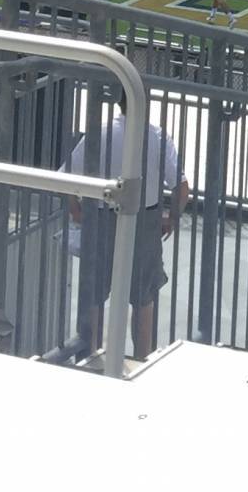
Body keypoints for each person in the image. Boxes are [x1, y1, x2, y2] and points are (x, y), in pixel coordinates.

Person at [67, 110, 187, 361]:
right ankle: (143, 360)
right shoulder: (157, 137)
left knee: (95, 294)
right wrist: (172, 217)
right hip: (145, 218)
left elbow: (67, 173)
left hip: (101, 215)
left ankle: (92, 355)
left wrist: (76, 209)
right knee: (144, 297)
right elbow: (181, 185)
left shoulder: (99, 132)